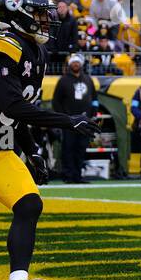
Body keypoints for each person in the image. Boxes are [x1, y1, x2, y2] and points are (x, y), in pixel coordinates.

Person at [0, 0, 101, 280]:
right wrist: (68, 120)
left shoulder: (37, 51)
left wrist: (32, 149)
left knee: (29, 204)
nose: (45, 21)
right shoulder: (1, 46)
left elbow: (20, 110)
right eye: (38, 14)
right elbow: (12, 106)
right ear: (17, 14)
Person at [51, 53, 97, 183]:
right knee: (68, 149)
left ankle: (79, 175)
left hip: (84, 121)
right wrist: (63, 117)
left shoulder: (88, 79)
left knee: (81, 149)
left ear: (81, 64)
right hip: (69, 123)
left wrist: (93, 113)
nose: (76, 64)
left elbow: (94, 99)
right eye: (73, 62)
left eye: (78, 62)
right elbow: (56, 102)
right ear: (70, 64)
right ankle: (68, 176)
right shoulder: (63, 80)